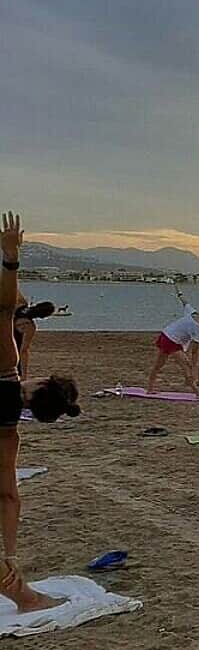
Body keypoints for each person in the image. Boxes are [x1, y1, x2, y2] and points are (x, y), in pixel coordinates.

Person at [1, 211, 82, 612]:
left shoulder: (6, 365)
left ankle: (27, 597)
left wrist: (11, 259)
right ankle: (26, 596)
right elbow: (9, 497)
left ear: (38, 384)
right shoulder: (8, 431)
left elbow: (4, 308)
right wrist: (11, 553)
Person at [147, 283, 199, 396]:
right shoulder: (198, 331)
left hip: (165, 335)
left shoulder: (193, 313)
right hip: (171, 341)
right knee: (186, 366)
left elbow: (185, 302)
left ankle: (150, 389)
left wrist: (179, 293)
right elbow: (194, 352)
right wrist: (194, 367)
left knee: (159, 364)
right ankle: (197, 393)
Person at [13, 298, 56, 378]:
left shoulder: (21, 303)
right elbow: (24, 350)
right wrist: (24, 374)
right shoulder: (29, 326)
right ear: (43, 317)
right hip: (11, 352)